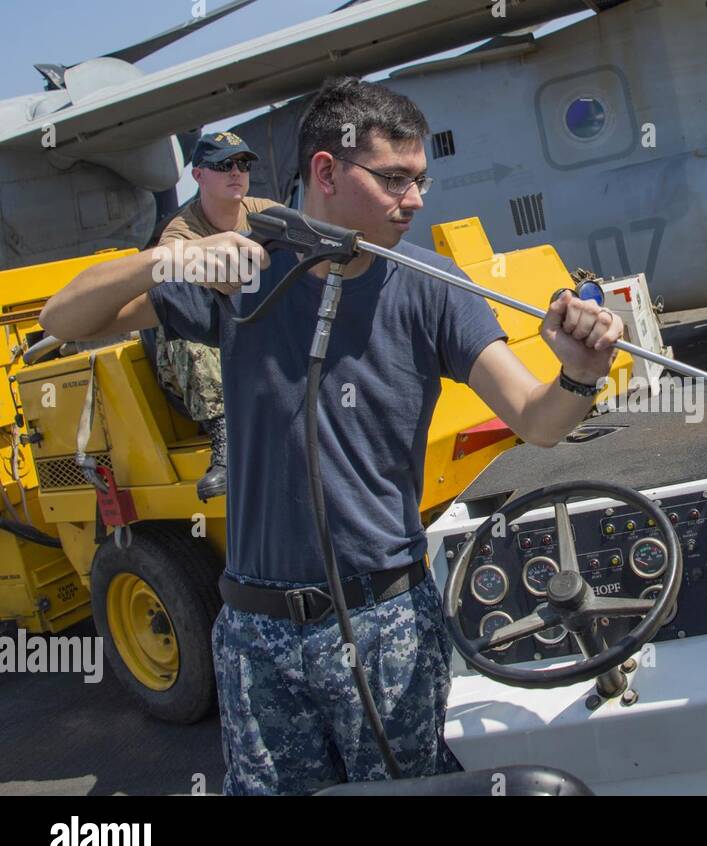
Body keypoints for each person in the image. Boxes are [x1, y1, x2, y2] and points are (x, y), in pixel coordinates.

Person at [39, 76, 624, 795]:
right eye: (393, 180)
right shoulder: (244, 274)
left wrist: (579, 374)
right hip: (257, 631)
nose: (414, 199)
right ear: (325, 171)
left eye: (420, 181)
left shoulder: (433, 287)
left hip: (384, 624)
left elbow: (535, 420)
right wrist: (169, 259)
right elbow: (63, 321)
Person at [155, 131, 279, 501]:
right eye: (224, 165)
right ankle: (226, 440)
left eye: (243, 164)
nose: (236, 172)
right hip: (206, 351)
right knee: (184, 311)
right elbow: (176, 291)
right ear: (198, 176)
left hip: (259, 335)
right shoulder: (179, 235)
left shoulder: (267, 214)